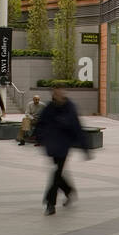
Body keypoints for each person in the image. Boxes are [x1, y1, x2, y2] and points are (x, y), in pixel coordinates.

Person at [35, 86, 86, 215]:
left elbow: (77, 126)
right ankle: (68, 191)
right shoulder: (49, 107)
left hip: (64, 145)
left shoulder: (70, 107)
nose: (58, 94)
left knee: (57, 173)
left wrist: (85, 147)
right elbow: (41, 123)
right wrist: (39, 138)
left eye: (60, 92)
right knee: (58, 171)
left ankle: (50, 203)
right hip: (52, 144)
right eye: (55, 93)